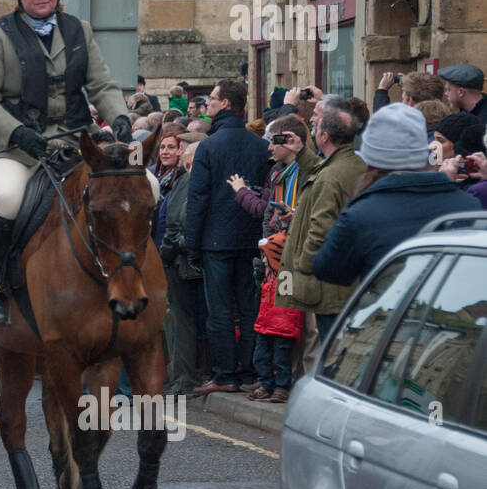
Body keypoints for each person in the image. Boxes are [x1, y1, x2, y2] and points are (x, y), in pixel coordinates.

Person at [0, 0, 130, 326]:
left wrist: (120, 118)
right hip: (17, 150)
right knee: (6, 199)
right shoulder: (1, 36)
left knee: (142, 190)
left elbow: (103, 85)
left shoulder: (79, 31)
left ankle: (132, 280)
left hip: (75, 142)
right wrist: (18, 133)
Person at [313, 103, 481, 286]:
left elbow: (328, 269)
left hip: (388, 309)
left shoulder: (363, 214)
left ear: (371, 158)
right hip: (457, 310)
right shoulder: (470, 206)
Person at [183, 79, 271, 396]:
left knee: (219, 311)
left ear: (227, 105)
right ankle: (248, 373)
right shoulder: (261, 146)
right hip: (250, 240)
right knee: (249, 309)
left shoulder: (208, 146)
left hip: (215, 242)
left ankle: (224, 374)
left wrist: (191, 244)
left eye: (214, 99)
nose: (209, 104)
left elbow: (198, 201)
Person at [277, 95, 367, 342]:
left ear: (324, 137)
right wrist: (302, 152)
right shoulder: (355, 164)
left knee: (331, 349)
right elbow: (327, 168)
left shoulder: (330, 177)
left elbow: (321, 227)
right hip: (348, 275)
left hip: (328, 283)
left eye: (316, 127)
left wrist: (304, 265)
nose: (313, 129)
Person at [159, 138, 207, 393]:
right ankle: (181, 377)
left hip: (178, 263)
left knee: (181, 322)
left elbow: (176, 223)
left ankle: (184, 379)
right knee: (180, 321)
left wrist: (165, 253)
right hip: (181, 262)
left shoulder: (187, 182)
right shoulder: (183, 180)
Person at [243, 231, 303, 402]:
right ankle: (267, 385)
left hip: (283, 329)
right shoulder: (267, 279)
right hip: (264, 326)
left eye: (266, 257)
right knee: (260, 358)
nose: (263, 261)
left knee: (281, 360)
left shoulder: (287, 278)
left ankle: (281, 387)